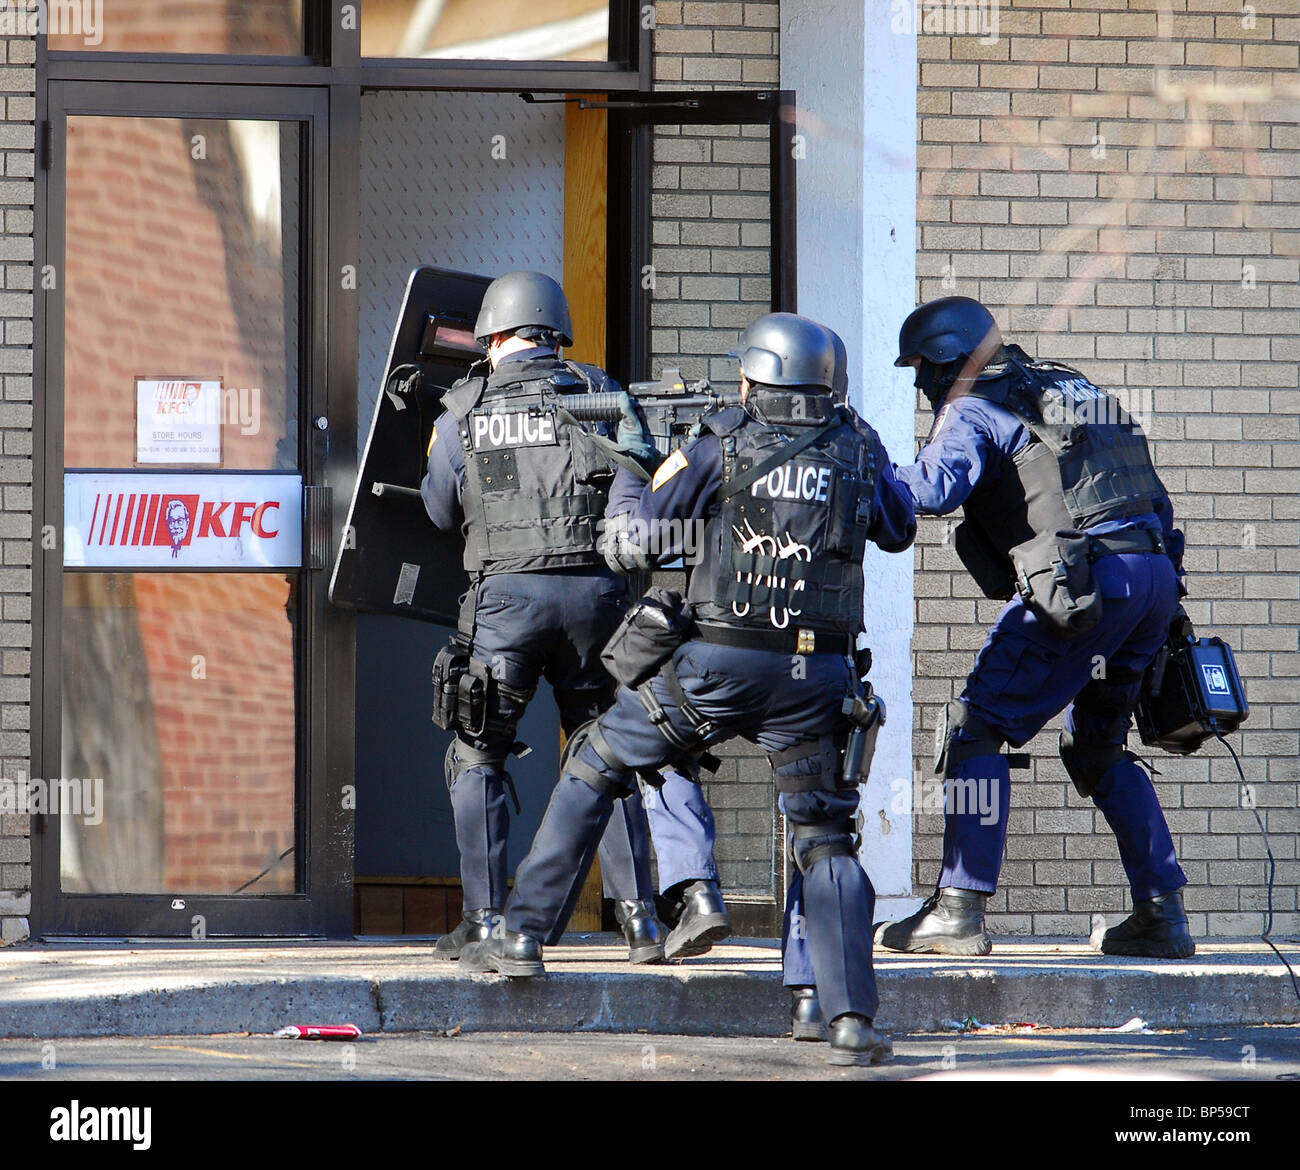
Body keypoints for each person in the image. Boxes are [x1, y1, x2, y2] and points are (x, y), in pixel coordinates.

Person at [461, 312, 917, 1066]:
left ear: (751, 377)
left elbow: (643, 539)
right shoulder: (859, 445)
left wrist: (635, 470)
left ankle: (520, 935)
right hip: (815, 676)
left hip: (716, 667)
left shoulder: (720, 437)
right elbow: (898, 528)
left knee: (596, 761)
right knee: (824, 839)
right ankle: (836, 1015)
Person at [875, 296, 1195, 960]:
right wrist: (1166, 604)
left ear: (947, 359)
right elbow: (1151, 492)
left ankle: (958, 913)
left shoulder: (974, 404)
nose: (918, 385)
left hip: (1085, 584)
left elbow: (932, 490)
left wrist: (859, 466)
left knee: (976, 727)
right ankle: (1162, 916)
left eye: (921, 370)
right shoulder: (1072, 384)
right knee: (1100, 748)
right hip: (1154, 579)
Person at [420, 270, 666, 964]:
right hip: (597, 601)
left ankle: (488, 923)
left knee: (477, 749)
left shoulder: (463, 406)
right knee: (604, 751)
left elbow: (438, 511)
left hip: (506, 601)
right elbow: (639, 487)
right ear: (555, 334)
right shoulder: (603, 394)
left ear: (495, 336)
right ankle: (641, 925)